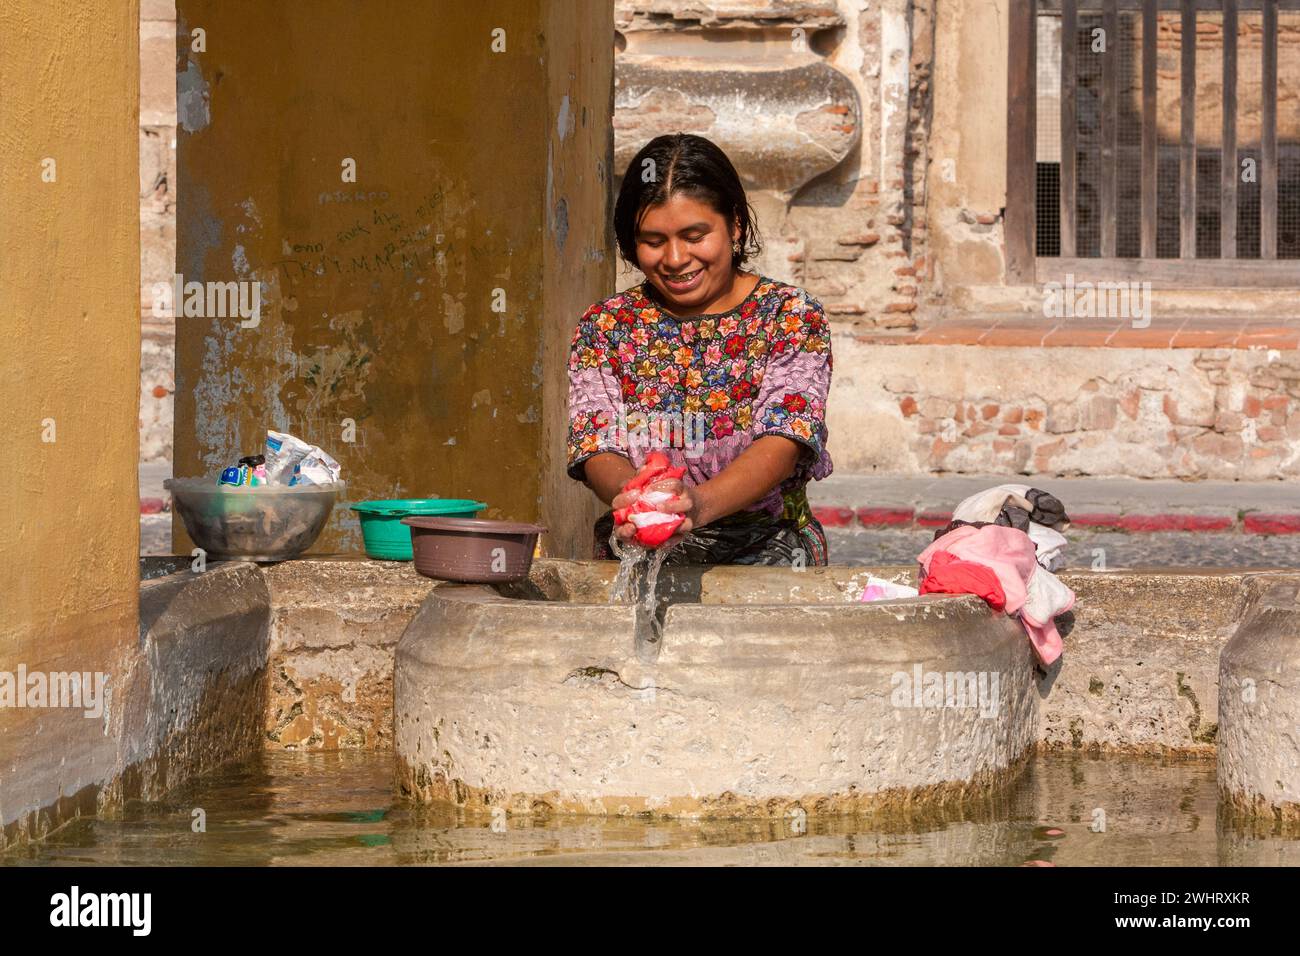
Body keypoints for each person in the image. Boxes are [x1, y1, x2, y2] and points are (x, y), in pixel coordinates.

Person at [566, 132, 833, 566]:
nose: (674, 259)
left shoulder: (789, 316)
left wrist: (698, 505)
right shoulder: (607, 326)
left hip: (766, 553)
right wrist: (637, 498)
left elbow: (786, 437)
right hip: (637, 551)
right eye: (653, 241)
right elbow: (596, 441)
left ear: (735, 225)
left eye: (695, 235)